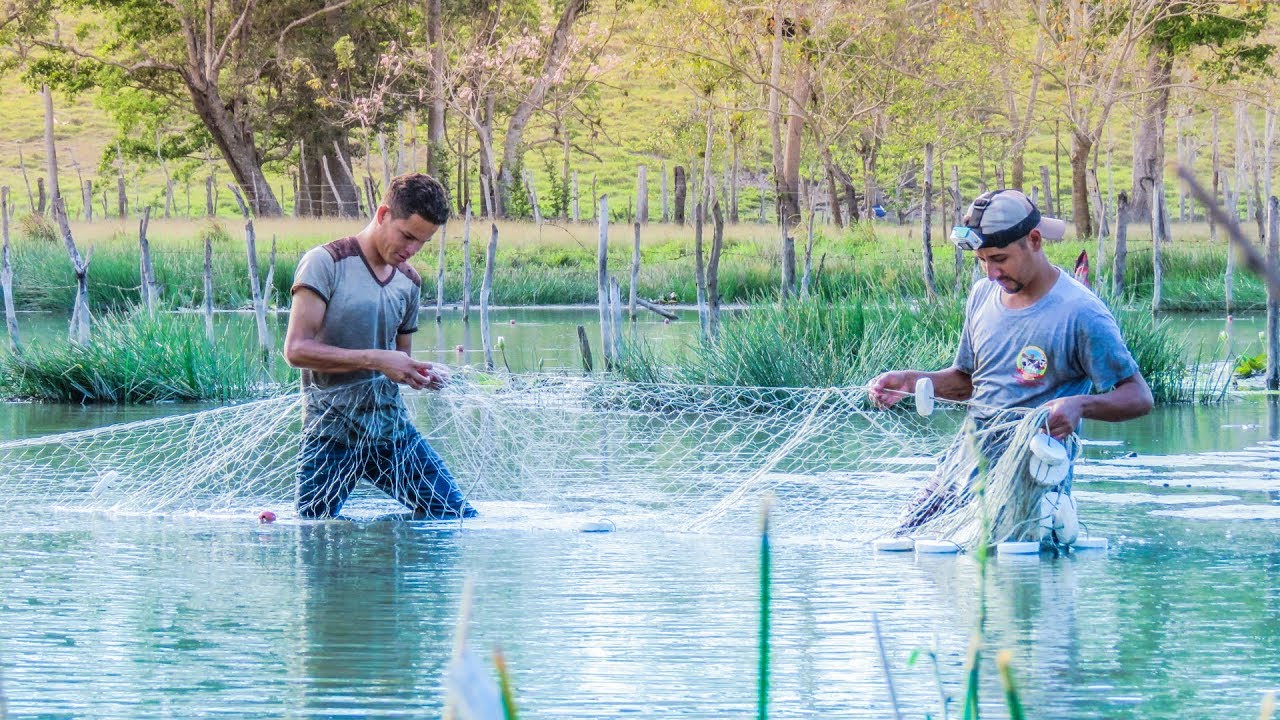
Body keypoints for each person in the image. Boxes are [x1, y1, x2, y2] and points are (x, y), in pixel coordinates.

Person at [868, 189, 1153, 529]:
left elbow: (1139, 396)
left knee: (1007, 557)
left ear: (1034, 240)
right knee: (900, 536)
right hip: (960, 471)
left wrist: (1080, 405)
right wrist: (911, 382)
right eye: (982, 260)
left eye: (999, 259)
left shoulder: (1082, 313)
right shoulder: (982, 294)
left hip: (1031, 486)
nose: (991, 273)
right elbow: (969, 383)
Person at [284, 172, 476, 520]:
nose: (412, 250)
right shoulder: (325, 263)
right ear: (383, 214)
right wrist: (375, 359)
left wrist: (422, 373)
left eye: (423, 242)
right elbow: (296, 351)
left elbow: (399, 361)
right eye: (407, 236)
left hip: (391, 433)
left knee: (454, 514)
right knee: (314, 530)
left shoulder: (409, 282)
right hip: (330, 435)